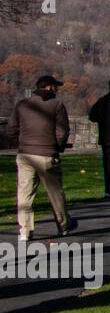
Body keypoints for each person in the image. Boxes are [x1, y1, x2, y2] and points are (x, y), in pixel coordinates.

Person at [5, 75, 76, 240]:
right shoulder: (57, 105)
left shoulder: (22, 105)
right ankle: (63, 226)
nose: (57, 90)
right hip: (47, 154)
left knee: (25, 194)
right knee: (55, 193)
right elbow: (62, 131)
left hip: (25, 155)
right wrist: (57, 147)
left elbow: (11, 130)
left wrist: (22, 141)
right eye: (55, 87)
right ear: (50, 87)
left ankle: (25, 230)